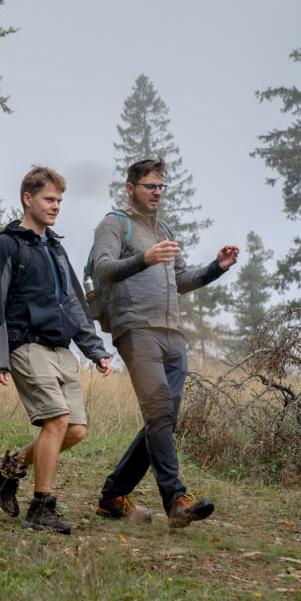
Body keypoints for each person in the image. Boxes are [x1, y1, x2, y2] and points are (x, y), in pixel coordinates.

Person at [90, 157, 239, 529]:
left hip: (173, 335)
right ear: (131, 188)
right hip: (136, 330)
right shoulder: (115, 224)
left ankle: (113, 494)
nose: (156, 192)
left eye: (161, 186)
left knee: (163, 420)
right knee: (159, 414)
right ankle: (175, 499)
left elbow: (181, 279)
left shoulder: (164, 229)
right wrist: (144, 258)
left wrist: (215, 268)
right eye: (149, 186)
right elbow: (103, 270)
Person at [0, 166, 114, 535]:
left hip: (60, 347)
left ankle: (6, 468)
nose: (55, 206)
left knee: (75, 430)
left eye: (59, 200)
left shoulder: (55, 247)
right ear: (28, 198)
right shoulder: (7, 245)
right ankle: (41, 507)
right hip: (25, 344)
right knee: (55, 421)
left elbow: (73, 303)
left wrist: (95, 350)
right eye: (48, 199)